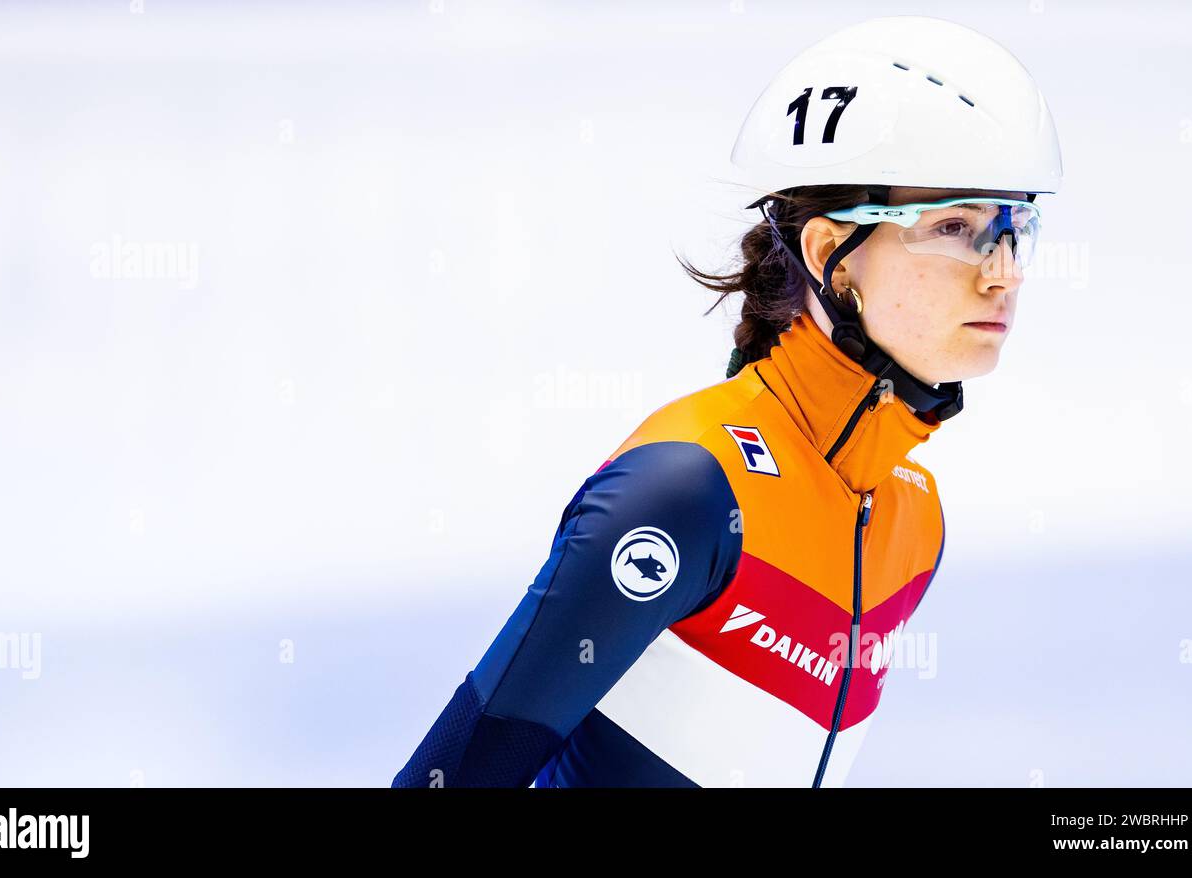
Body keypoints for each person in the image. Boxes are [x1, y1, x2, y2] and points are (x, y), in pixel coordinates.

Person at [391, 14, 1062, 788]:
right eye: (956, 226)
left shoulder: (914, 519)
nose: (1003, 271)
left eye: (1017, 228)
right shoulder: (687, 487)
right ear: (830, 255)